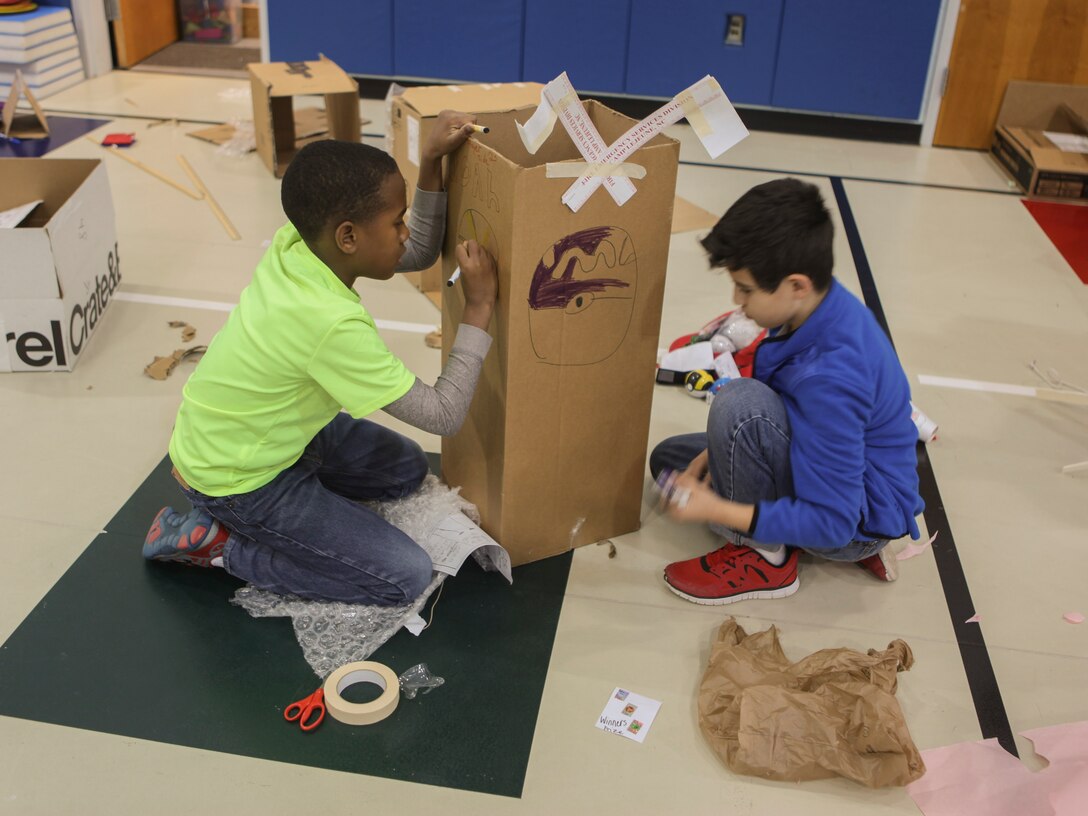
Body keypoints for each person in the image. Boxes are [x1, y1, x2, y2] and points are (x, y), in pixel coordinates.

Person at [142, 112, 498, 606]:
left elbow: (413, 252)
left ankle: (298, 511)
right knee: (402, 577)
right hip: (240, 480)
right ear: (348, 237)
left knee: (405, 469)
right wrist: (479, 310)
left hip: (269, 435)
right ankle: (222, 546)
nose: (404, 233)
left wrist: (432, 162)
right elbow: (444, 414)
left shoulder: (300, 241)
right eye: (396, 221)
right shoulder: (328, 324)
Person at [650, 178, 923, 605]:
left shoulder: (832, 376)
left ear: (796, 285)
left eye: (746, 288)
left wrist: (713, 509)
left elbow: (834, 522)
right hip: (839, 471)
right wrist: (703, 463)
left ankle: (765, 561)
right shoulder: (815, 304)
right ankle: (781, 526)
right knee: (670, 459)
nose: (736, 299)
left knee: (738, 405)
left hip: (852, 523)